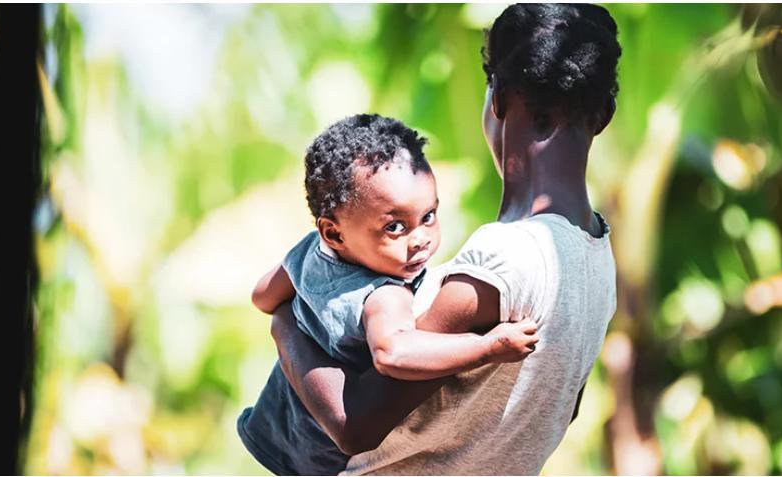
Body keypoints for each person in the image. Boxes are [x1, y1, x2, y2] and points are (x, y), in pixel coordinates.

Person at [272, 3, 621, 474]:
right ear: (604, 115)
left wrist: (285, 327)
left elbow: (355, 422)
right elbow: (559, 410)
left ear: (496, 99)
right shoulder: (598, 262)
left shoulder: (508, 255)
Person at [237, 114, 540, 475]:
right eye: (395, 227)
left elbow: (263, 297)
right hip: (317, 461)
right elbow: (393, 353)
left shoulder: (307, 251)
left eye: (429, 216)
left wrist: (292, 321)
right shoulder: (385, 296)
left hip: (268, 431)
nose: (420, 240)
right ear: (334, 233)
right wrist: (488, 347)